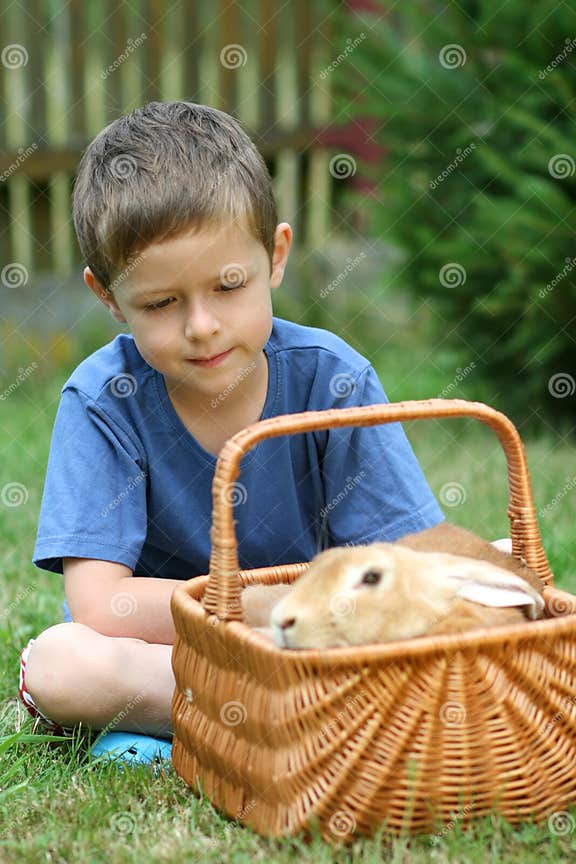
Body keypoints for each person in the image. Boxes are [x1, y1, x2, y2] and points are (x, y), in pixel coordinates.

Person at [18, 101, 444, 764]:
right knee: (60, 664)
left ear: (275, 256)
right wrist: (278, 608)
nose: (202, 326)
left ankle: (228, 719)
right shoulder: (104, 401)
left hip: (313, 643)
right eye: (161, 304)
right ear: (107, 297)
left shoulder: (333, 381)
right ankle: (298, 711)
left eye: (227, 285)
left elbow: (406, 565)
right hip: (172, 652)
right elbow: (101, 607)